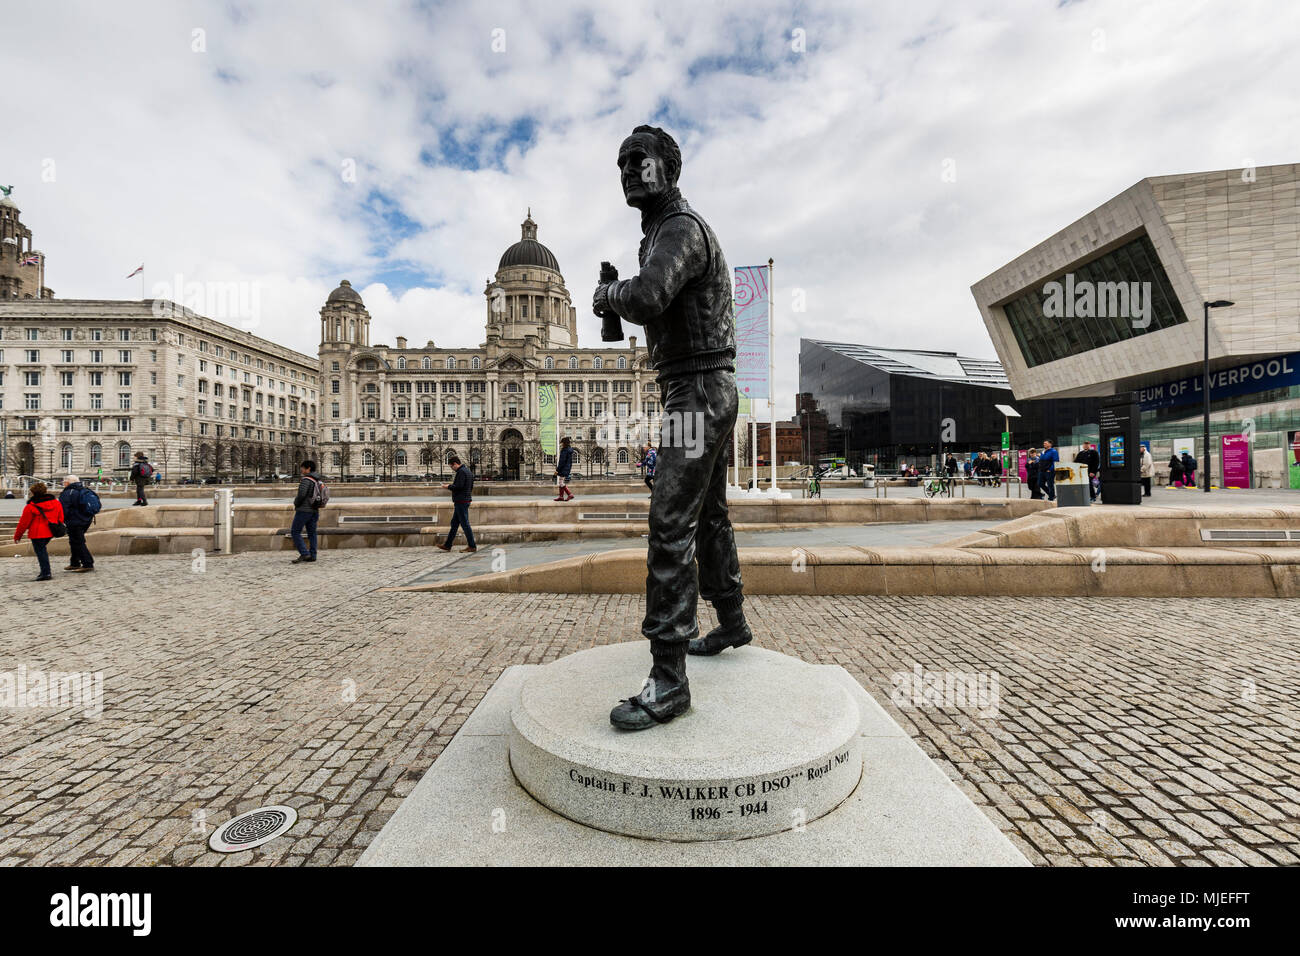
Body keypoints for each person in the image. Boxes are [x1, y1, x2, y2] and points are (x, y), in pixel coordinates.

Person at [593, 123, 748, 731]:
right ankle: (732, 621)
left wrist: (609, 293)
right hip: (702, 388)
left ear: (669, 169)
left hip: (696, 393)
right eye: (622, 163)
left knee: (669, 521)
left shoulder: (680, 229)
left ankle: (668, 678)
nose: (630, 170)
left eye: (641, 160)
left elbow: (652, 296)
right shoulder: (662, 231)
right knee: (708, 515)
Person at [13, 481, 64, 582]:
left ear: (33, 493)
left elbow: (23, 523)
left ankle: (46, 573)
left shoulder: (31, 506)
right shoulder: (56, 503)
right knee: (42, 551)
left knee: (41, 552)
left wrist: (17, 536)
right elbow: (61, 518)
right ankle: (45, 572)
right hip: (50, 531)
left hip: (37, 533)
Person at [59, 474, 100, 573]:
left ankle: (87, 563)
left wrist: (61, 520)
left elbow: (63, 509)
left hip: (74, 521)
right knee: (74, 541)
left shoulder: (68, 492)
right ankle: (74, 562)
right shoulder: (85, 490)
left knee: (78, 541)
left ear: (67, 482)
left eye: (64, 482)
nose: (63, 484)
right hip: (87, 519)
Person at [437, 455, 476, 553]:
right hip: (465, 499)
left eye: (451, 466)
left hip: (461, 501)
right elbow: (470, 486)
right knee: (454, 524)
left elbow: (458, 486)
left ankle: (472, 546)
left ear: (455, 464)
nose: (452, 468)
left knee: (465, 524)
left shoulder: (461, 472)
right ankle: (447, 545)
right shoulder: (468, 471)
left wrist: (448, 486)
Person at [290, 459, 323, 564]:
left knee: (295, 532)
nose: (301, 469)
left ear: (308, 469)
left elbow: (301, 495)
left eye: (303, 467)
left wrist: (296, 503)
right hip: (314, 510)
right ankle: (313, 555)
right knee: (312, 533)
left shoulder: (306, 480)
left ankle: (304, 553)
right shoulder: (317, 480)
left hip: (304, 510)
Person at [553, 436, 575, 502]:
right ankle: (561, 497)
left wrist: (557, 471)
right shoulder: (569, 450)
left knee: (561, 482)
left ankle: (569, 494)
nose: (561, 444)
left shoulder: (565, 450)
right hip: (567, 468)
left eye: (562, 443)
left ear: (564, 443)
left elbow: (562, 462)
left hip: (563, 468)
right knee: (561, 482)